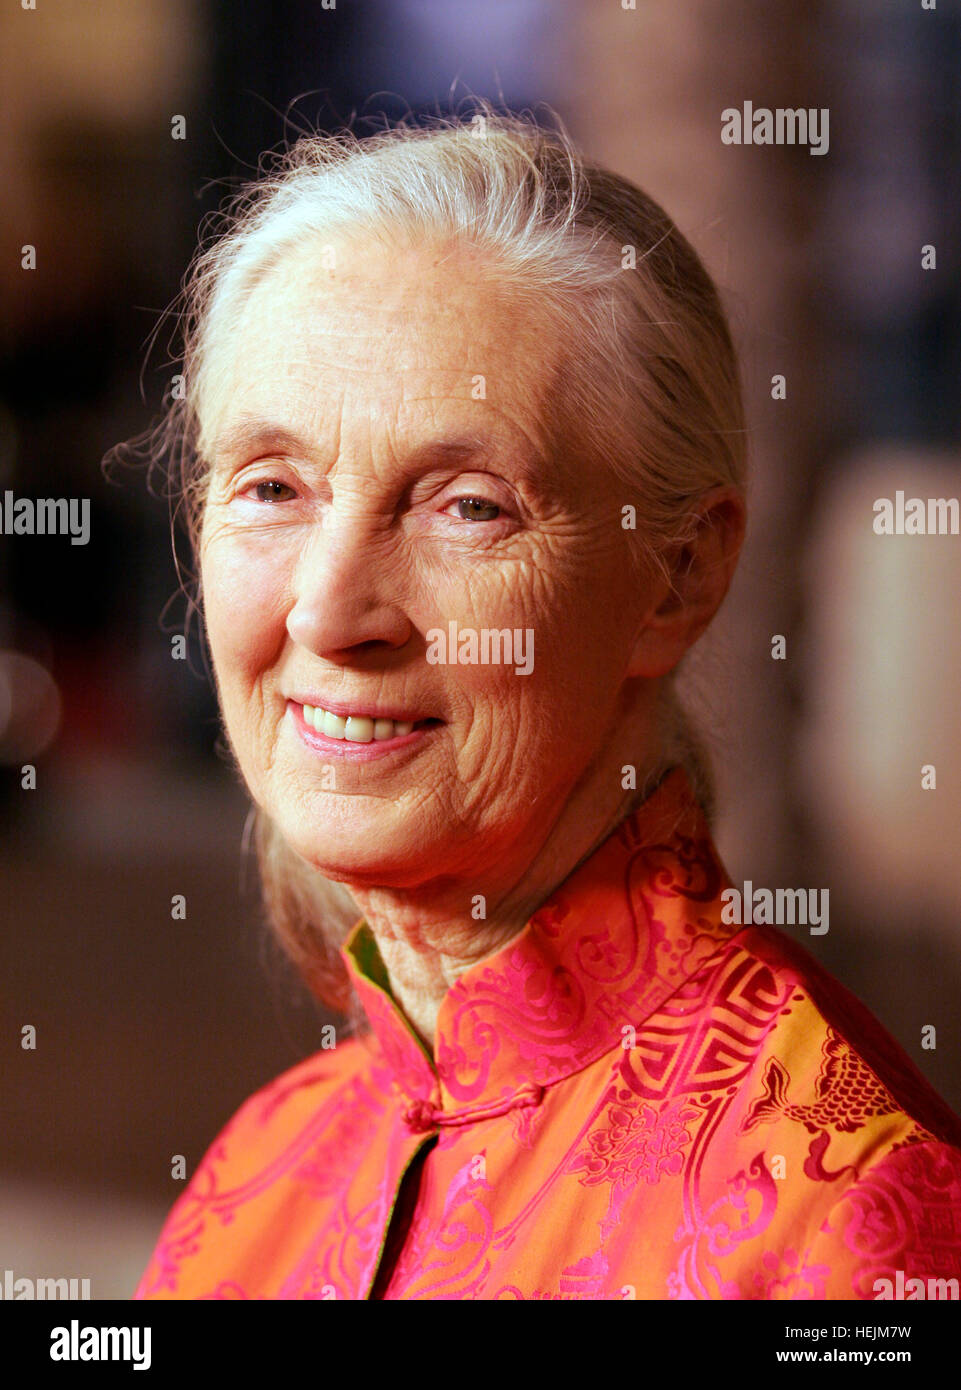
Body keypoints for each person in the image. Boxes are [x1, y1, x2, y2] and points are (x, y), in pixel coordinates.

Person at [132, 109, 961, 1300]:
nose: (325, 612)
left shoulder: (841, 1216)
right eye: (272, 485)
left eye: (466, 506)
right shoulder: (262, 1167)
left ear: (677, 575)